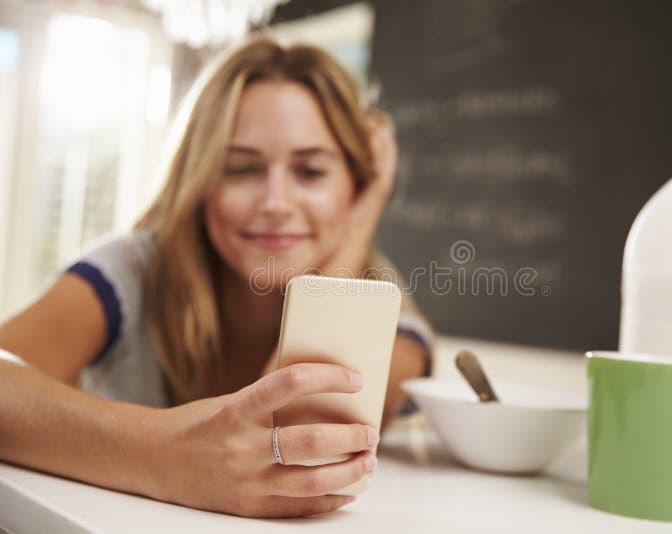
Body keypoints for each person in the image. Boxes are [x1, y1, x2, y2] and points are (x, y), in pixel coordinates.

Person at [0, 35, 434, 518]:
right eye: (241, 169)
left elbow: (282, 443)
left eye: (310, 171)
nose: (275, 203)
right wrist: (163, 455)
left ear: (355, 188)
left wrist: (358, 228)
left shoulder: (384, 304)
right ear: (200, 180)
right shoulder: (131, 269)